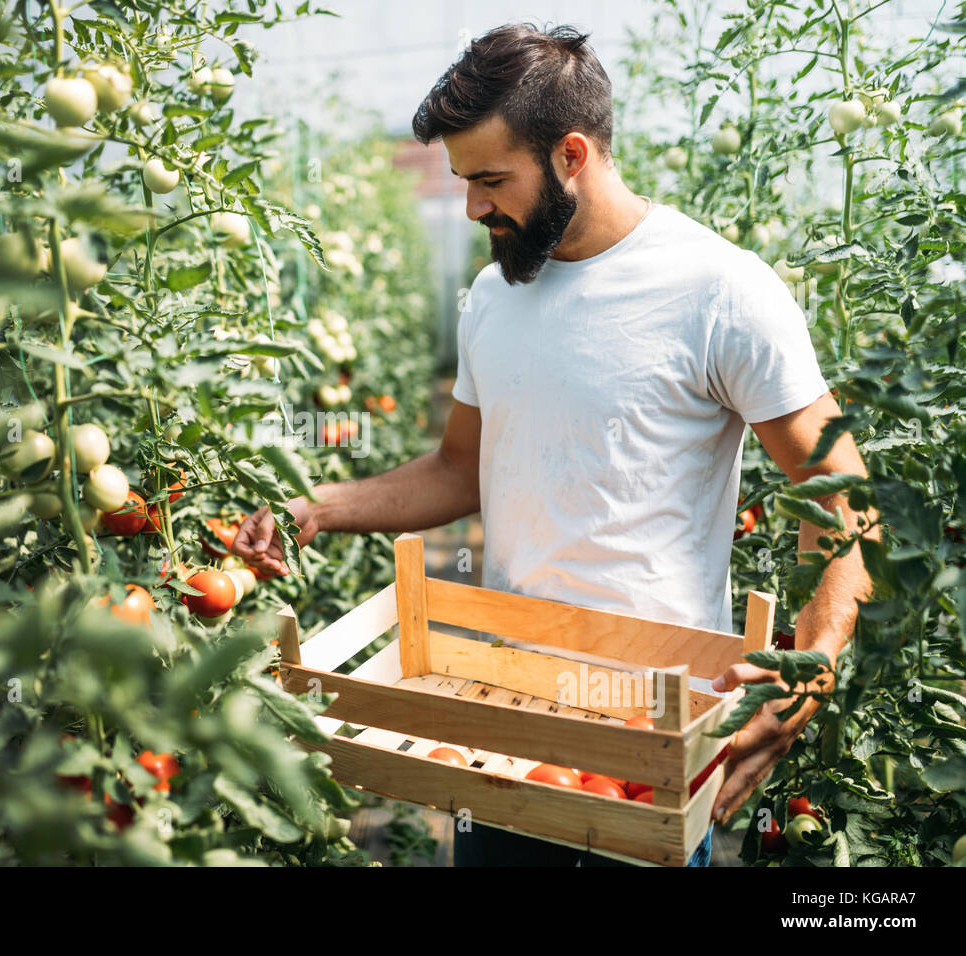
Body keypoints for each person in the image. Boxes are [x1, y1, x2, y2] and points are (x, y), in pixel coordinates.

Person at [230, 23, 877, 866]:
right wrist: (315, 507)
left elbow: (844, 496)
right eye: (463, 181)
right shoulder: (495, 296)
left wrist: (813, 666)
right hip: (503, 723)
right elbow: (460, 468)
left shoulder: (718, 291)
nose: (472, 207)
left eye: (491, 179)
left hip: (653, 739)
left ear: (572, 153)